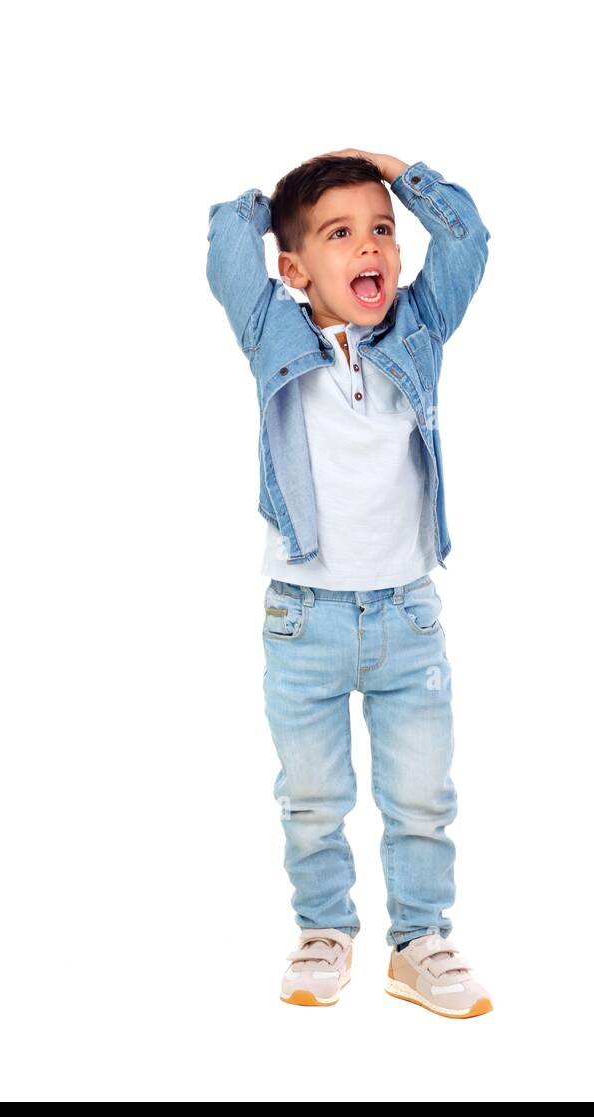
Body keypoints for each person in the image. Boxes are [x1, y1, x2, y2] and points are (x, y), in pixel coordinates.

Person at [206, 149, 492, 1016]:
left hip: (407, 613)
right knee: (314, 795)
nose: (370, 248)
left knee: (420, 793)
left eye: (381, 231)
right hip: (304, 618)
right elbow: (225, 240)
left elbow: (469, 236)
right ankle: (324, 930)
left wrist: (399, 175)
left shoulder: (419, 328)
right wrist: (279, 200)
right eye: (340, 235)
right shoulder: (274, 333)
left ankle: (421, 940)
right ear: (293, 268)